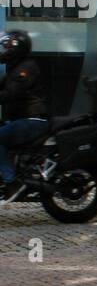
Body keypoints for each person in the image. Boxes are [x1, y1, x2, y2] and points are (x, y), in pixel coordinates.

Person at [0, 30, 48, 190]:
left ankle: (10, 180)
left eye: (7, 47)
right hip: (22, 120)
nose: (4, 51)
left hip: (31, 120)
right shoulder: (15, 68)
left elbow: (11, 92)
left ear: (17, 48)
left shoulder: (26, 68)